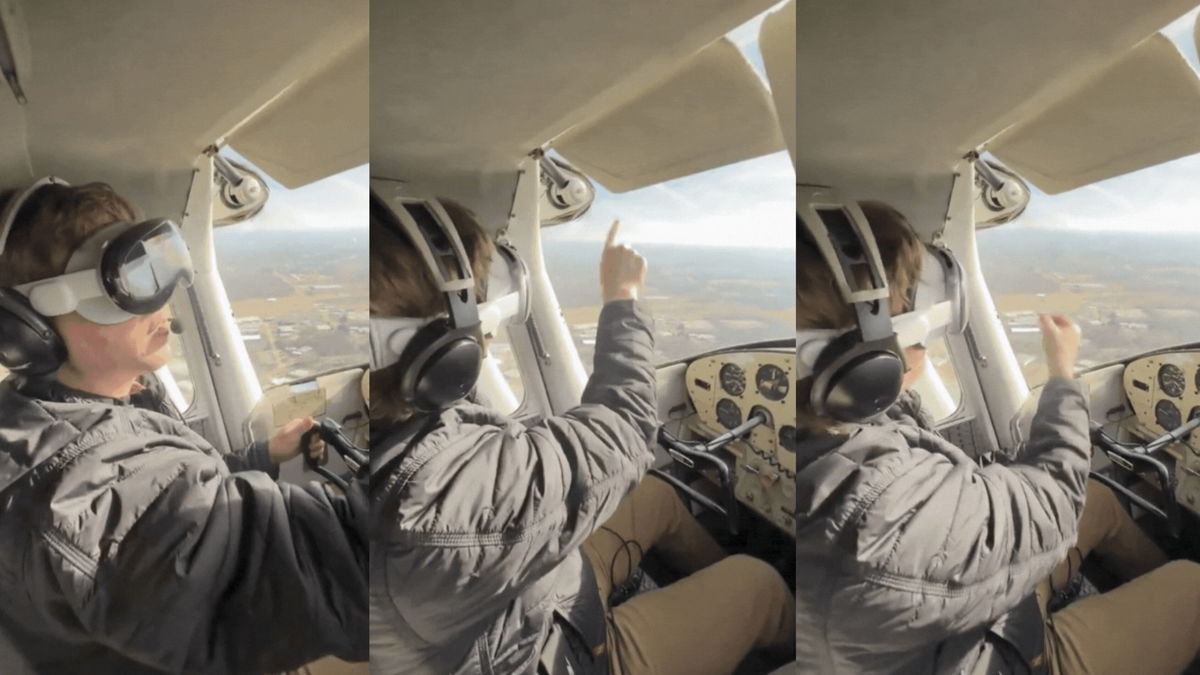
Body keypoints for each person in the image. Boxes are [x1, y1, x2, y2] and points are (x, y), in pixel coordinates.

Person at [369, 196, 795, 675]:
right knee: (758, 583)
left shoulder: (389, 431)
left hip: (523, 598)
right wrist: (623, 299)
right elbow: (625, 430)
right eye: (478, 316)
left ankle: (704, 608)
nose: (486, 337)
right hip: (549, 653)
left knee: (653, 493)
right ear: (443, 352)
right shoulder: (447, 494)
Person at [795, 201, 1200, 674]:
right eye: (910, 313)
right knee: (1189, 582)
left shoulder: (823, 435)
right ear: (866, 363)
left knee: (1102, 502)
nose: (922, 337)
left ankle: (1144, 621)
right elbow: (1057, 501)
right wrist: (1063, 375)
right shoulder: (883, 508)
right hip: (984, 655)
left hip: (935, 623)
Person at [0, 179, 368, 673]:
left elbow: (169, 491)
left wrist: (261, 458)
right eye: (129, 282)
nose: (163, 299)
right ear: (28, 329)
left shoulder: (63, 413)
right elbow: (340, 572)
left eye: (158, 263)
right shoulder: (90, 489)